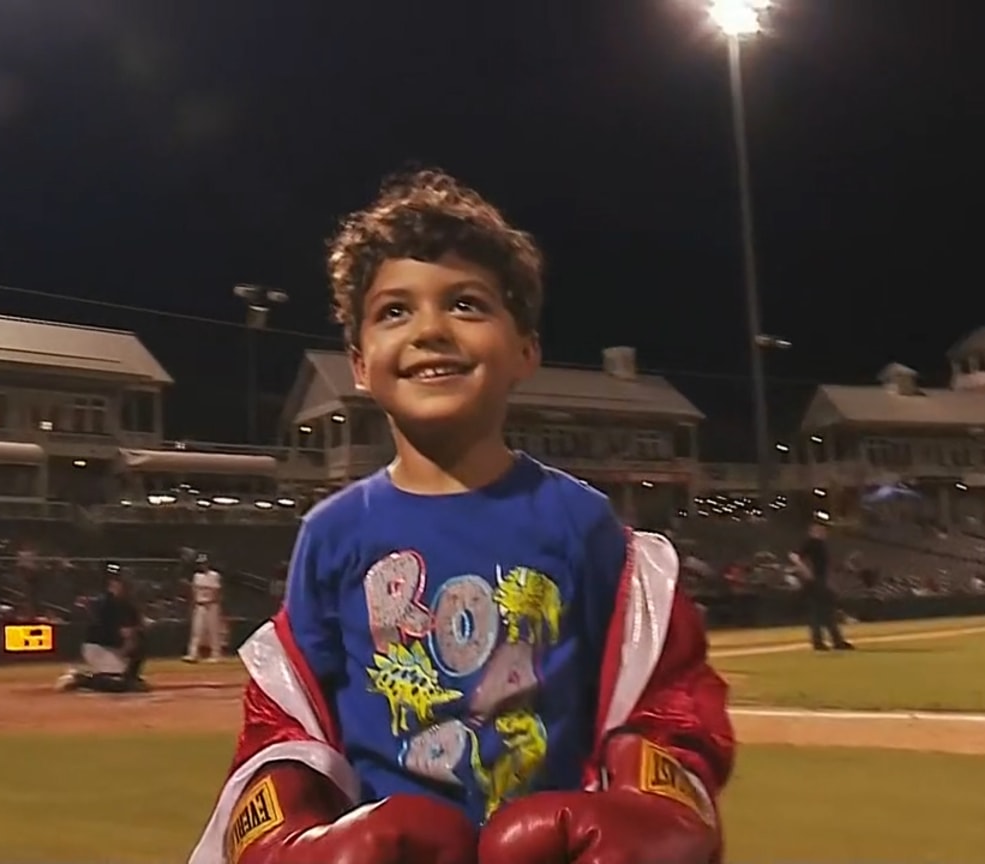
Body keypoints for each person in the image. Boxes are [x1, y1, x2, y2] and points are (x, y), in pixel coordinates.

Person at [188, 169, 732, 864]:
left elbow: (663, 691)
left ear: (525, 350)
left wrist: (655, 807)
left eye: (466, 304)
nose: (431, 330)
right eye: (394, 312)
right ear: (359, 363)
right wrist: (290, 839)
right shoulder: (331, 535)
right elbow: (286, 724)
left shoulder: (579, 520)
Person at [56, 565, 149, 693]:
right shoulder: (112, 603)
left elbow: (135, 634)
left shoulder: (126, 604)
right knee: (119, 684)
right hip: (97, 648)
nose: (122, 587)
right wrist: (124, 660)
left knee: (139, 646)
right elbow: (128, 637)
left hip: (112, 647)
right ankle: (80, 679)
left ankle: (125, 678)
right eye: (118, 583)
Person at [789, 521, 854, 651]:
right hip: (816, 582)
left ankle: (832, 641)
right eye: (821, 530)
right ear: (814, 530)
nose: (825, 532)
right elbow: (794, 557)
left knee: (824, 612)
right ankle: (824, 641)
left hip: (819, 580)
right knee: (820, 612)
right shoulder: (811, 543)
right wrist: (806, 572)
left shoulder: (819, 545)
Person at [184, 554, 226, 663]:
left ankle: (216, 654)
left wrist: (216, 603)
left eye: (203, 563)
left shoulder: (214, 575)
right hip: (200, 605)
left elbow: (218, 591)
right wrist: (193, 604)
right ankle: (193, 654)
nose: (202, 565)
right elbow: (193, 592)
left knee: (213, 630)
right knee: (197, 630)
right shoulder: (197, 576)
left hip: (212, 604)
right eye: (200, 564)